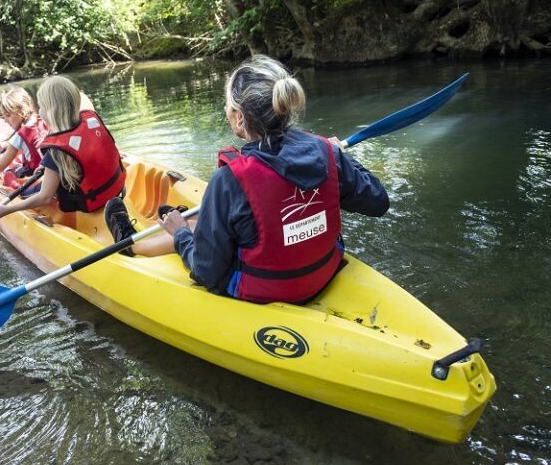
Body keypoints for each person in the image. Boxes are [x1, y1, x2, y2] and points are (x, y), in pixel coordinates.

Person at [104, 55, 389, 305]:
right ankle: (157, 236)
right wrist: (339, 157)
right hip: (323, 272)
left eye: (227, 107)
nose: (226, 112)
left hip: (264, 289)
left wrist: (180, 235)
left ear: (239, 117)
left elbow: (206, 272)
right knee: (204, 222)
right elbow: (378, 202)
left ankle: (142, 242)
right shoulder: (326, 153)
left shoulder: (229, 180)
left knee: (190, 228)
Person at [0, 75, 126, 219]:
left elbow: (45, 197)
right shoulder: (91, 121)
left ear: (51, 111)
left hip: (88, 201)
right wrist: (46, 166)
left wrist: (8, 209)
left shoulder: (56, 151)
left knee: (26, 192)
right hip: (116, 188)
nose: (39, 110)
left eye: (41, 105)